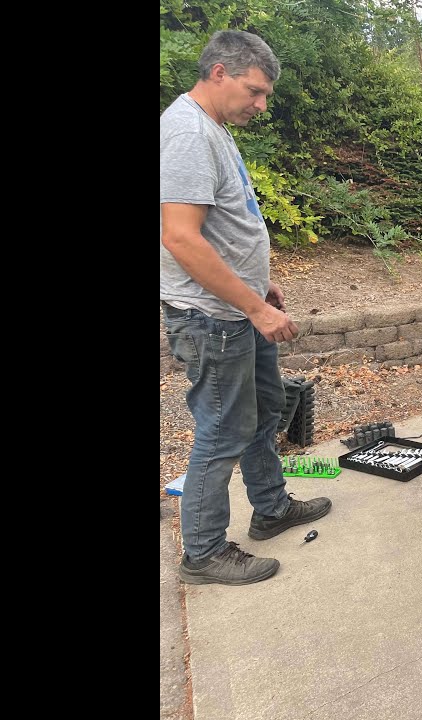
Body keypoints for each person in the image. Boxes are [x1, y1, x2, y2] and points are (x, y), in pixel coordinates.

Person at [161, 30, 331, 586]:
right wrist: (254, 309)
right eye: (254, 91)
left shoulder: (214, 128)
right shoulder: (186, 133)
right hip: (214, 319)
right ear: (218, 73)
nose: (260, 104)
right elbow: (180, 238)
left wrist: (260, 290)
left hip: (239, 308)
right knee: (222, 431)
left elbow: (231, 224)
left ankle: (272, 508)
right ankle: (204, 553)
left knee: (260, 413)